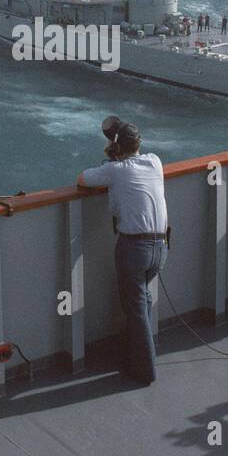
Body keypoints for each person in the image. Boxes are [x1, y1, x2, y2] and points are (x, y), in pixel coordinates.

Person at [77, 117, 169, 385]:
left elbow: (83, 178)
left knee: (137, 309)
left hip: (134, 249)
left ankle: (145, 371)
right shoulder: (155, 161)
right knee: (142, 302)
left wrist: (111, 162)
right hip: (160, 248)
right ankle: (135, 353)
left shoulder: (116, 170)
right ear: (139, 143)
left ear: (117, 148)